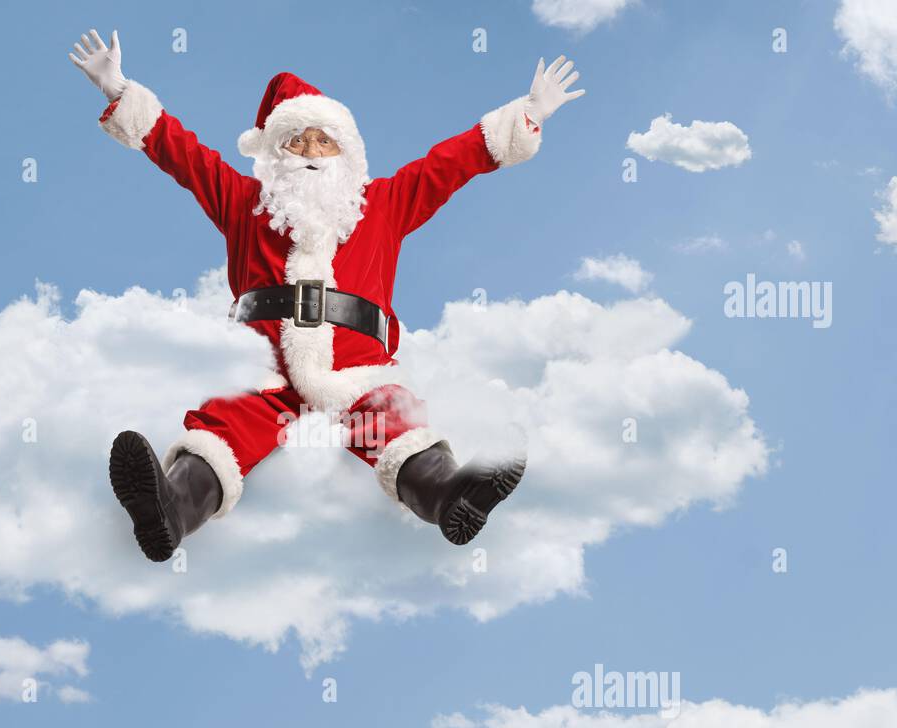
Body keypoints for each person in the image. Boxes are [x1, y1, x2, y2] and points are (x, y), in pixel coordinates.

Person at [69, 29, 585, 562]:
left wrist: (527, 114)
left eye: (324, 141)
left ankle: (452, 494)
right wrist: (119, 91)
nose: (311, 152)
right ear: (274, 153)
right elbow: (186, 157)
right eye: (297, 141)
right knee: (225, 425)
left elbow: (448, 165)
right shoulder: (244, 203)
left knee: (392, 422)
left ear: (347, 153)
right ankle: (169, 509)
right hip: (263, 365)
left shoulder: (383, 203)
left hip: (356, 366)